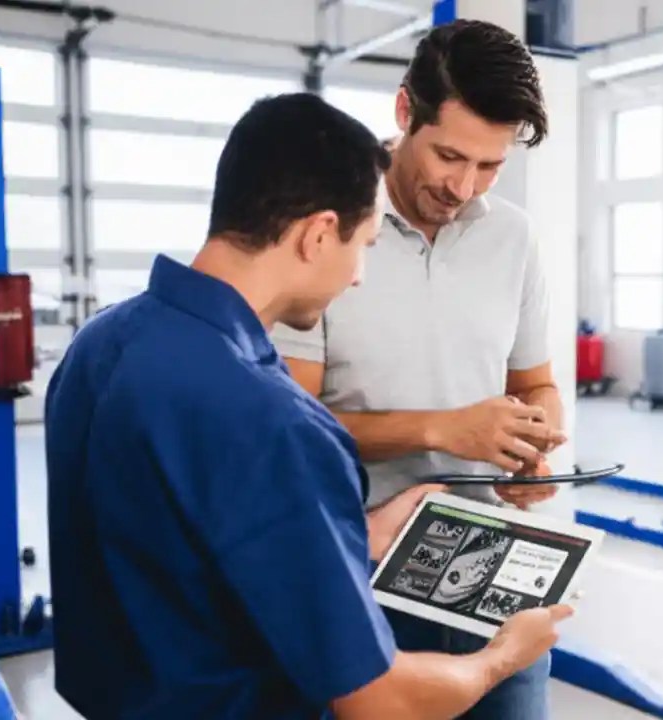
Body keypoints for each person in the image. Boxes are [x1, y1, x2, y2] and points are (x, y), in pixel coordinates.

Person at [44, 92, 571, 720]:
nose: (357, 277)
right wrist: (504, 656)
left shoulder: (100, 345)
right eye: (366, 245)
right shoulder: (275, 420)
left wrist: (361, 531)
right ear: (319, 233)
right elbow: (380, 701)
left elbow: (179, 547)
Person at [272, 19, 564, 720]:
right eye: (449, 156)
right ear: (406, 112)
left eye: (489, 166)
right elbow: (288, 428)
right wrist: (445, 429)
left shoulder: (513, 237)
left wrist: (537, 446)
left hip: (484, 546)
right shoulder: (326, 223)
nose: (464, 186)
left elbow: (536, 386)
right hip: (355, 557)